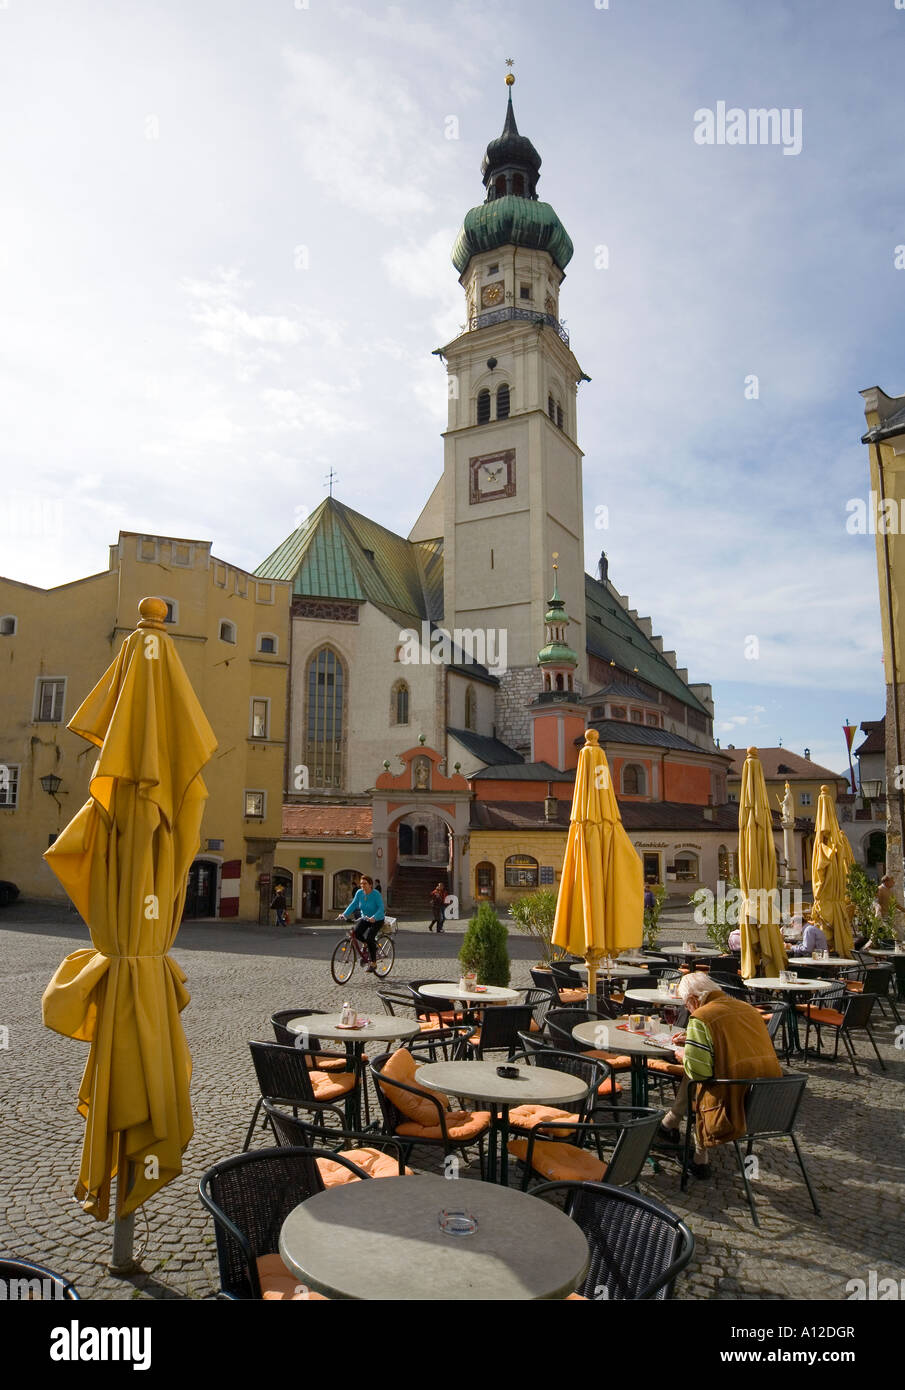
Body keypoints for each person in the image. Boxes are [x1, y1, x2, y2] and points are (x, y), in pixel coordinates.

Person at [656, 970, 782, 1180]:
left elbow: (699, 1072)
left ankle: (699, 1159)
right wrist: (694, 1040)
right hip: (770, 1097)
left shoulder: (702, 1017)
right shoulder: (747, 1008)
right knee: (703, 1066)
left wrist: (684, 1053)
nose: (686, 1010)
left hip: (732, 1101)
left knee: (696, 1076)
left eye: (686, 1005)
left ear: (694, 1000)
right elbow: (734, 1041)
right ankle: (670, 1122)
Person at [338, 874, 385, 973]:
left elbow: (381, 908)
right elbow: (354, 904)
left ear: (370, 884)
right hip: (365, 918)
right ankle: (366, 944)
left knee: (370, 937)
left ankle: (373, 963)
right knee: (356, 933)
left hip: (377, 919)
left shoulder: (376, 894)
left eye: (365, 883)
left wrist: (374, 917)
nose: (362, 885)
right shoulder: (359, 893)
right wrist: (344, 914)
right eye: (361, 884)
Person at [875, 875, 905, 942]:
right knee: (895, 934)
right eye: (892, 881)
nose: (894, 882)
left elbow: (895, 903)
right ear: (887, 881)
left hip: (890, 916)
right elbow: (876, 903)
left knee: (898, 933)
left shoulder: (889, 890)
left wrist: (903, 910)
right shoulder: (879, 889)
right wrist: (878, 913)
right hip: (883, 917)